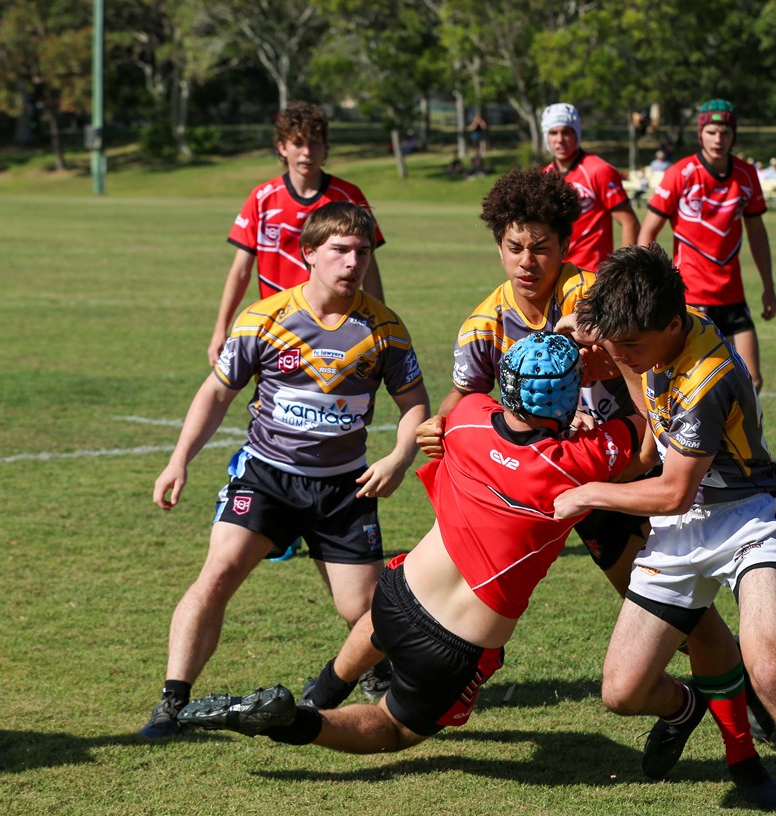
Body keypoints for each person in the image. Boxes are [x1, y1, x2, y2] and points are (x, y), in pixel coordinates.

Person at [415, 168, 776, 807]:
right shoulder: (485, 321)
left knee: (689, 618)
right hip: (527, 482)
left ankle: (743, 754)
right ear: (498, 247)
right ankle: (349, 688)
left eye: (542, 247)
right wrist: (428, 429)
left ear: (567, 246)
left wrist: (642, 445)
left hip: (612, 477)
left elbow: (643, 373)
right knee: (444, 579)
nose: (528, 262)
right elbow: (467, 395)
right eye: (514, 247)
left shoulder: (594, 302)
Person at [175, 333, 647, 762]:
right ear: (567, 398)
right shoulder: (580, 460)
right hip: (456, 643)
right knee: (395, 728)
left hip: (398, 595)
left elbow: (469, 406)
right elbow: (646, 428)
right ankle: (293, 720)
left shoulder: (467, 419)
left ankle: (322, 691)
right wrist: (624, 365)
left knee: (380, 627)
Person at [554, 244, 776, 816]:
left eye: (631, 345)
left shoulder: (706, 376)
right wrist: (599, 337)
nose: (618, 353)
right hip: (681, 532)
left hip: (747, 518)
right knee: (621, 692)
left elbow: (672, 492)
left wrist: (590, 493)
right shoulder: (661, 320)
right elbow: (618, 342)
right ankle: (686, 707)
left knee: (771, 670)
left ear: (671, 325)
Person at [140, 203, 431, 738]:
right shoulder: (264, 318)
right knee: (220, 571)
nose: (353, 262)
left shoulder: (384, 328)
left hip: (345, 487)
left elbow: (415, 402)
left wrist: (399, 456)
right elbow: (216, 393)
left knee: (363, 608)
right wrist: (178, 460)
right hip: (267, 477)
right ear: (310, 255)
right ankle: (170, 702)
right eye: (340, 250)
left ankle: (376, 671)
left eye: (362, 252)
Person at [208, 102, 385, 369]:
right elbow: (240, 271)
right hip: (278, 325)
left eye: (314, 143)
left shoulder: (348, 197)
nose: (306, 153)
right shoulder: (262, 198)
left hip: (335, 323)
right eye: (298, 143)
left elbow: (368, 264)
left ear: (325, 148)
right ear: (282, 147)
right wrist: (221, 328)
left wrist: (379, 323)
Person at [639, 99, 776, 394]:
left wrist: (768, 285)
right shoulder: (681, 173)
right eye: (712, 132)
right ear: (700, 134)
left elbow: (757, 231)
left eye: (725, 133)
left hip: (733, 296)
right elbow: (649, 229)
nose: (718, 139)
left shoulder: (746, 175)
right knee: (689, 384)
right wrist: (648, 283)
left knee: (751, 382)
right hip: (691, 298)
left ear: (733, 135)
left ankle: (731, 441)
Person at [541, 103, 639, 273]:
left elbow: (629, 223)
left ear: (576, 133)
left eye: (566, 132)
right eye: (553, 133)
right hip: (554, 274)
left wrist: (624, 271)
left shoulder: (599, 170)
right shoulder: (545, 175)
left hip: (592, 274)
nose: (559, 139)